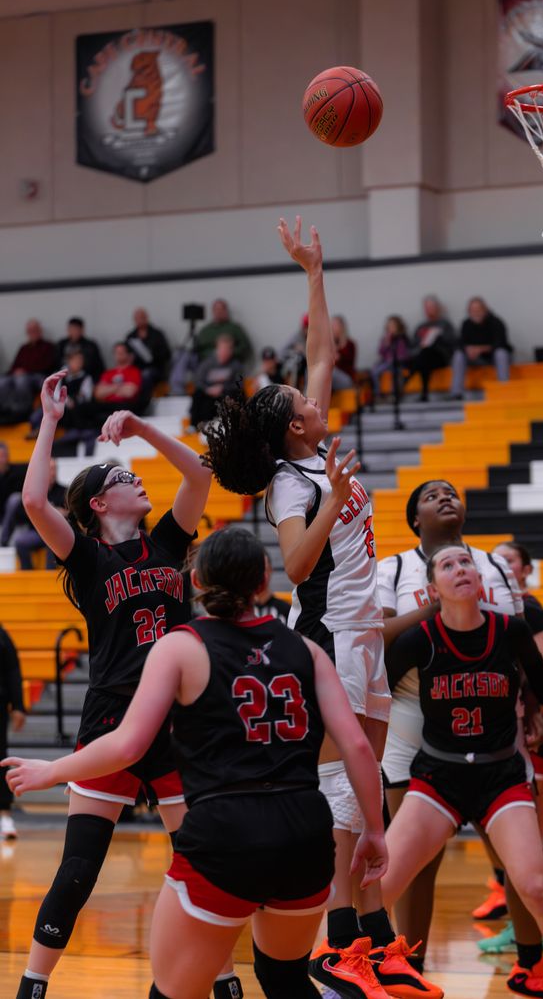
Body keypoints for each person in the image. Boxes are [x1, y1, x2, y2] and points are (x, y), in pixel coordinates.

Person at [202, 217, 441, 999]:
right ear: (291, 425)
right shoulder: (290, 484)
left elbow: (322, 351)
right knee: (344, 786)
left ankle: (363, 943)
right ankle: (337, 942)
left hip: (366, 630)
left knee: (363, 785)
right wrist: (336, 496)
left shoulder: (312, 445)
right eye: (299, 399)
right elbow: (295, 563)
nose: (312, 394)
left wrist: (313, 268)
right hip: (332, 632)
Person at [3, 525, 388, 999]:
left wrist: (51, 770)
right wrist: (374, 828)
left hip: (226, 828)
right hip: (304, 829)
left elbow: (126, 746)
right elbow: (358, 748)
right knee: (285, 980)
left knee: (173, 991)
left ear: (197, 582)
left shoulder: (181, 645)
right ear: (264, 581)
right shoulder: (305, 650)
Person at [5, 368, 217, 999]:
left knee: (203, 863)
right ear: (99, 504)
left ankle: (218, 979)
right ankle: (31, 987)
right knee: (77, 871)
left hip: (180, 719)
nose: (138, 478)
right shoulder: (90, 559)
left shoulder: (171, 541)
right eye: (125, 477)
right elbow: (37, 501)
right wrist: (48, 420)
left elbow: (200, 475)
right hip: (112, 719)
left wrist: (143, 430)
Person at [381, 544, 543, 999]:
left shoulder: (511, 630)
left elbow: (542, 686)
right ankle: (348, 976)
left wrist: (538, 717)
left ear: (481, 579)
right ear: (433, 589)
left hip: (500, 776)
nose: (460, 568)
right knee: (381, 884)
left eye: (465, 562)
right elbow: (377, 689)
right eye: (447, 565)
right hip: (438, 777)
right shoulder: (419, 639)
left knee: (534, 886)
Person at [377, 479, 522, 972]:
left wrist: (530, 706)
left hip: (487, 711)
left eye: (451, 492)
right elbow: (378, 638)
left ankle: (529, 959)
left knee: (511, 855)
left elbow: (514, 634)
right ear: (415, 518)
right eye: (431, 495)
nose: (445, 497)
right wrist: (440, 608)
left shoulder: (494, 563)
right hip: (411, 711)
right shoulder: (393, 567)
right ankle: (406, 967)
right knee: (414, 858)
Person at [477, 541, 543, 965]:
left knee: (529, 837)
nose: (501, 565)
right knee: (520, 837)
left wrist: (508, 677)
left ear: (526, 569)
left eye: (510, 559)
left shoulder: (529, 609)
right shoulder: (496, 611)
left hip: (537, 728)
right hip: (515, 730)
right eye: (495, 559)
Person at [170, 299, 252, 395]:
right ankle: (177, 389)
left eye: (221, 309)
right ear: (213, 311)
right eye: (216, 309)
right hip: (206, 361)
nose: (219, 312)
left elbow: (245, 347)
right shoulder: (206, 330)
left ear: (226, 311)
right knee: (181, 355)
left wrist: (227, 352)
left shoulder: (234, 328)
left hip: (227, 362)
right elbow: (196, 348)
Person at [0, 459, 66, 570]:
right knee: (20, 542)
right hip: (37, 532)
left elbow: (71, 513)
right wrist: (35, 511)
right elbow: (20, 514)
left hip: (55, 533)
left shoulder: (63, 491)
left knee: (53, 543)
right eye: (50, 469)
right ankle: (28, 573)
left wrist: (61, 513)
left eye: (54, 469)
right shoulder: (34, 492)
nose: (53, 473)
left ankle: (49, 576)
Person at [450, 296, 512, 399]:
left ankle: (503, 390)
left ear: (485, 309)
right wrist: (468, 350)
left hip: (492, 357)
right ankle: (456, 393)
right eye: (473, 310)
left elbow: (501, 343)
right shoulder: (466, 324)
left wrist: (481, 349)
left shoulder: (496, 322)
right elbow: (459, 343)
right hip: (474, 359)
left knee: (501, 353)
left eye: (478, 309)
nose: (476, 312)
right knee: (458, 356)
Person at [26, 347, 94, 440]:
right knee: (38, 414)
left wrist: (73, 400)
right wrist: (65, 400)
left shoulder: (86, 378)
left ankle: (48, 434)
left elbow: (86, 396)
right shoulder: (60, 374)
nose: (79, 363)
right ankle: (37, 430)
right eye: (76, 360)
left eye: (81, 360)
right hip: (59, 403)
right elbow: (55, 392)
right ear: (69, 361)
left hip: (72, 410)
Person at [404, 297, 456, 402]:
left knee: (426, 355)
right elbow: (412, 346)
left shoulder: (445, 324)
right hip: (423, 357)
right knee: (424, 357)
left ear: (437, 308)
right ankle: (424, 394)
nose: (429, 310)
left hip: (440, 357)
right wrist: (422, 345)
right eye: (427, 308)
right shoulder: (421, 326)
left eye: (431, 307)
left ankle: (407, 379)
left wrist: (438, 337)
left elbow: (452, 342)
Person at [0, 625, 26, 840]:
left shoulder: (2, 634)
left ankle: (5, 815)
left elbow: (12, 669)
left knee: (0, 760)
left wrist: (18, 705)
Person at [0, 320, 55, 420]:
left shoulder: (48, 346)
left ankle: (22, 411)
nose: (32, 333)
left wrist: (25, 371)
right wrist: (13, 372)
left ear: (40, 331)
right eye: (30, 331)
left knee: (21, 381)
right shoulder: (24, 348)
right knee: (2, 382)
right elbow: (15, 365)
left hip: (38, 375)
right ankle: (4, 409)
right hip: (21, 374)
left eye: (35, 330)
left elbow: (48, 365)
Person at [189, 335, 243, 429]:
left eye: (227, 349)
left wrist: (222, 388)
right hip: (208, 394)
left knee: (239, 395)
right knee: (197, 394)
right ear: (217, 349)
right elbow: (198, 381)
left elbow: (238, 383)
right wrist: (207, 389)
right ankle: (194, 425)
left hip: (225, 394)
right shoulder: (207, 364)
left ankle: (236, 425)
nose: (224, 352)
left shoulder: (235, 365)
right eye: (222, 349)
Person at [126, 308, 172, 391]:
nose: (139, 320)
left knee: (146, 375)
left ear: (146, 318)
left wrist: (151, 354)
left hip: (155, 367)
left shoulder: (157, 334)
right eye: (137, 318)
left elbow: (167, 354)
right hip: (136, 368)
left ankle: (144, 402)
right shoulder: (131, 336)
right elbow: (126, 353)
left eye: (142, 318)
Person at [92, 342, 144, 414]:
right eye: (116, 352)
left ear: (128, 354)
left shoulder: (134, 371)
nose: (119, 355)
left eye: (121, 352)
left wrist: (108, 389)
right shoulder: (108, 373)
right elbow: (98, 394)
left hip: (125, 405)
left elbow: (130, 392)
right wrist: (119, 386)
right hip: (107, 405)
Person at [370, 315, 410, 399]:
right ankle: (377, 392)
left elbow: (404, 355)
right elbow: (381, 352)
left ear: (398, 327)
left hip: (398, 364)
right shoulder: (385, 339)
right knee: (374, 369)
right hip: (386, 363)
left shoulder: (401, 339)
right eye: (389, 326)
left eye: (393, 326)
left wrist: (392, 359)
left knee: (394, 372)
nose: (390, 328)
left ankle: (393, 395)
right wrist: (386, 344)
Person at [55, 318, 104, 383]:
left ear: (82, 330)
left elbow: (97, 366)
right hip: (64, 376)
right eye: (72, 329)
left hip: (83, 377)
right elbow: (56, 363)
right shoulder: (61, 344)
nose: (74, 332)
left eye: (76, 329)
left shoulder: (90, 346)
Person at [252, 547, 291, 624]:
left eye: (263, 569)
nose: (259, 574)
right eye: (255, 569)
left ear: (270, 570)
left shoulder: (285, 610)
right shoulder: (241, 611)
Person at [0, 444, 27, 529]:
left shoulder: (19, 472)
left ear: (8, 457)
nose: (0, 460)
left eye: (2, 456)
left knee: (14, 498)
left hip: (14, 514)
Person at [331, 315, 356, 391]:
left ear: (341, 327)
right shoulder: (329, 343)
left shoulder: (350, 344)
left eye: (334, 325)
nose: (332, 327)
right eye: (331, 325)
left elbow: (344, 361)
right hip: (332, 378)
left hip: (346, 378)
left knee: (329, 373)